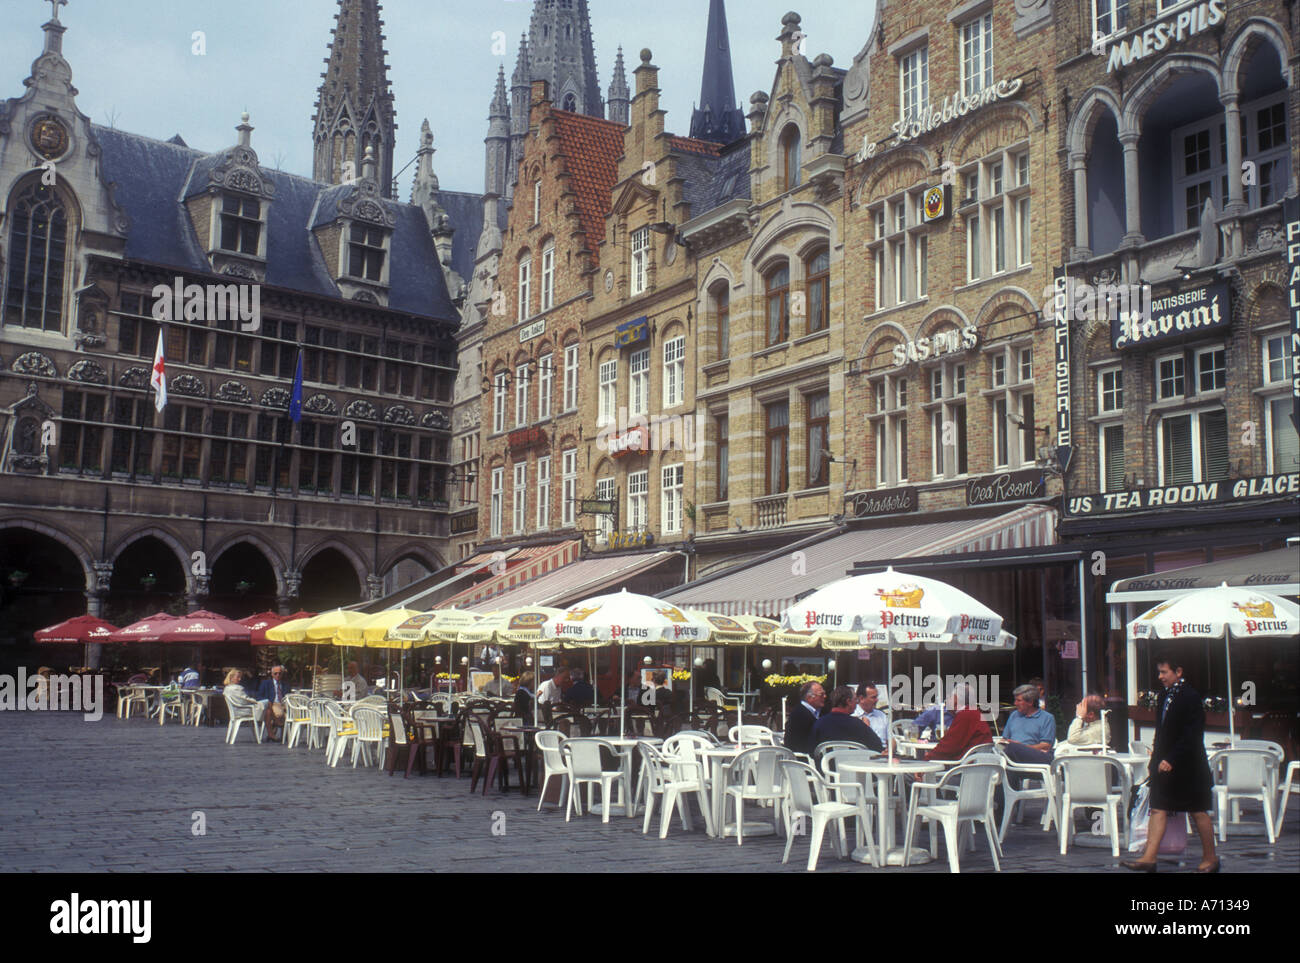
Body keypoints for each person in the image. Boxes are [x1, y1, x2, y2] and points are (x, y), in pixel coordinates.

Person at [1123, 656, 1219, 873]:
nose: (1160, 677)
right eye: (1159, 672)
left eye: (1164, 672)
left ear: (1178, 671)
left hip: (1189, 766)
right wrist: (1155, 760)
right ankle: (1149, 857)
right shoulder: (1165, 695)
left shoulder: (1191, 697)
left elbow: (1192, 735)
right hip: (1164, 766)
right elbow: (1162, 731)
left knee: (1198, 811)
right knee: (1158, 809)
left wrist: (1171, 759)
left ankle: (1211, 858)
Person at [924, 684, 992, 761]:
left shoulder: (965, 715)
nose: (946, 700)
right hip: (978, 764)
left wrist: (928, 757)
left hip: (965, 766)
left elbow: (950, 746)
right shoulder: (972, 712)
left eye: (950, 697)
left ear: (957, 699)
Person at [813, 686, 884, 751]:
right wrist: (867, 727)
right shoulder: (858, 725)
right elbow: (877, 747)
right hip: (853, 763)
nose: (857, 703)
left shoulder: (819, 723)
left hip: (826, 764)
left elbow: (811, 749)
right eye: (855, 699)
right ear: (849, 702)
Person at [1000, 684, 1057, 764]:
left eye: (1019, 700)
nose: (1015, 703)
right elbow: (1005, 739)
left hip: (1034, 757)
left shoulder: (1047, 718)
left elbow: (1046, 746)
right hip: (1011, 755)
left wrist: (1022, 747)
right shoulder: (1014, 715)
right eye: (1015, 700)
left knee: (1012, 748)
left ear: (1030, 702)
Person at [783, 680, 825, 755]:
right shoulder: (799, 715)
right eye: (821, 694)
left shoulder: (818, 713)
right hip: (804, 761)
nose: (825, 696)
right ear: (809, 698)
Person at [254, 665, 289, 741]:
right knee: (279, 713)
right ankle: (277, 725)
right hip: (273, 703)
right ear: (272, 674)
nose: (278, 675)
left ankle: (285, 735)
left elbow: (288, 695)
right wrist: (268, 701)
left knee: (293, 714)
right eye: (275, 673)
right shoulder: (266, 683)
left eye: (280, 673)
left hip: (284, 704)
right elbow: (259, 696)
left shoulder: (285, 684)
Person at [852, 683, 889, 748]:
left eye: (877, 696)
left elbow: (891, 739)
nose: (877, 700)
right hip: (862, 752)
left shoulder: (881, 715)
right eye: (873, 697)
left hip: (883, 753)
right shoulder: (853, 714)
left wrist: (889, 750)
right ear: (861, 698)